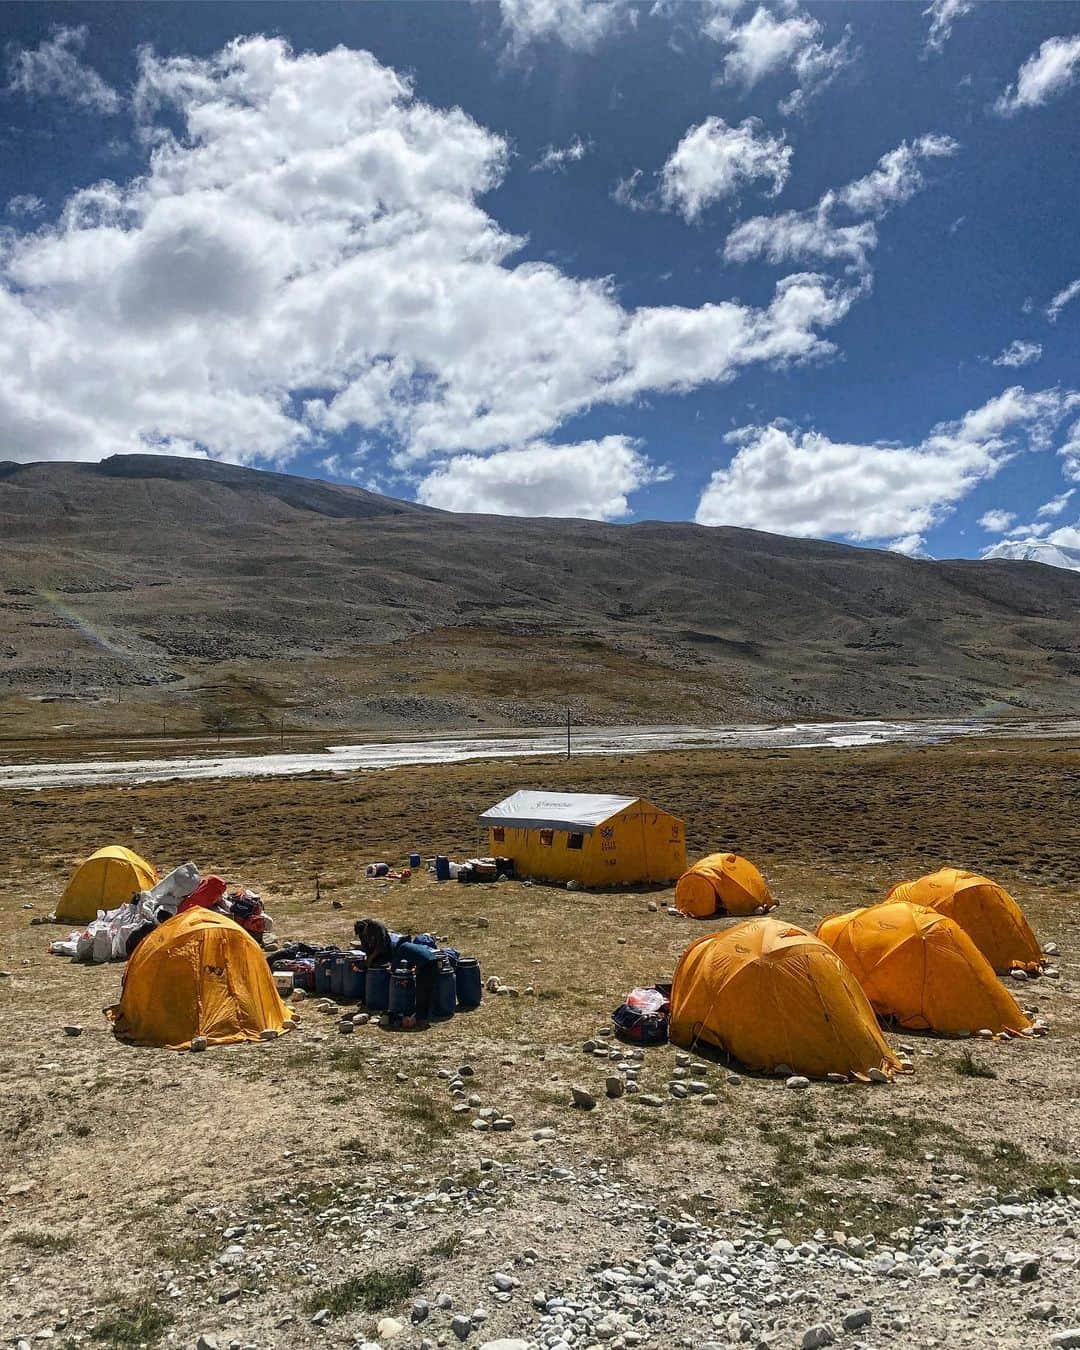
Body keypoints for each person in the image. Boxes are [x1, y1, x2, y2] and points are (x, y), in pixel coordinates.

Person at [354, 917, 439, 1030]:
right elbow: (413, 959)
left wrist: (392, 970)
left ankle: (421, 1020)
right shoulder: (409, 947)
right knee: (427, 991)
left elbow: (395, 963)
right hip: (433, 963)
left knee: (421, 993)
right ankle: (425, 1017)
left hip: (427, 967)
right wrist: (412, 968)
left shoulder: (401, 949)